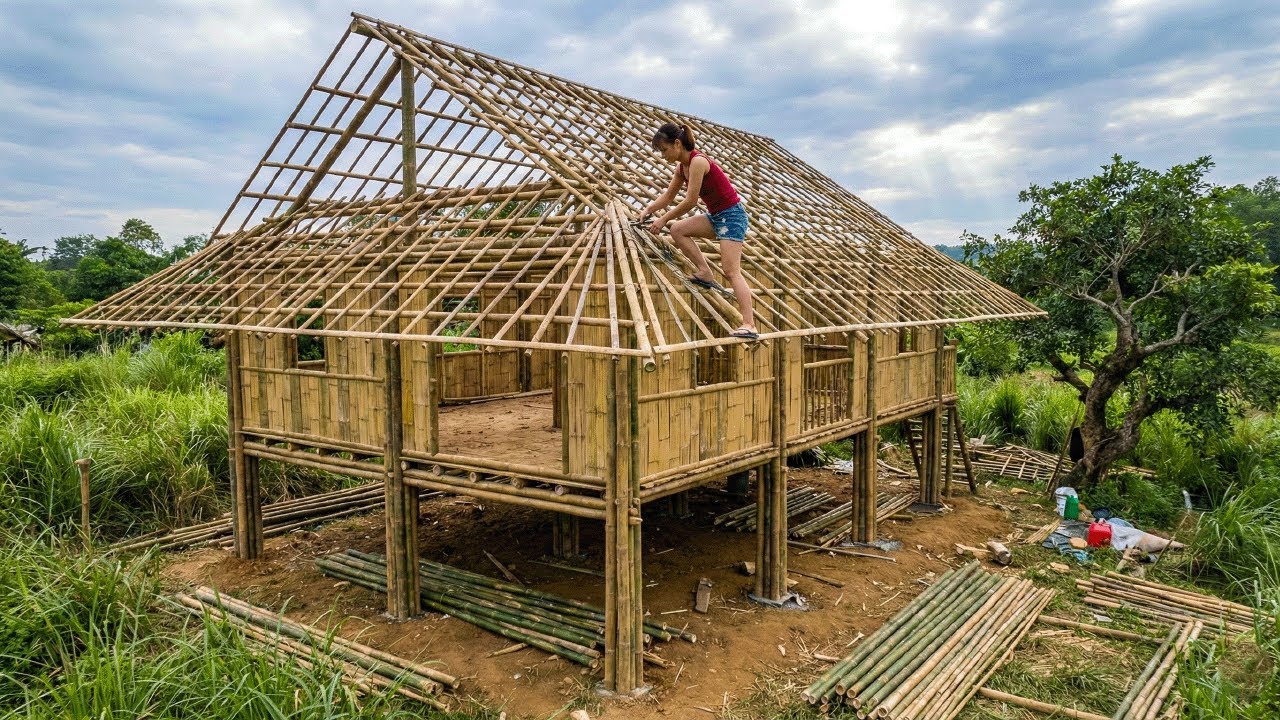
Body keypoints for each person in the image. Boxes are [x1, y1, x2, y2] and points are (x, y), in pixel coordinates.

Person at [640, 122, 756, 339]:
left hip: (732, 216)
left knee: (731, 271)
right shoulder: (681, 167)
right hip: (716, 216)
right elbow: (668, 196)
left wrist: (662, 219)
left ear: (677, 144)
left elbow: (691, 201)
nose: (663, 155)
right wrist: (649, 209)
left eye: (664, 150)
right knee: (678, 230)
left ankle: (749, 324)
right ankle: (704, 271)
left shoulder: (698, 162)